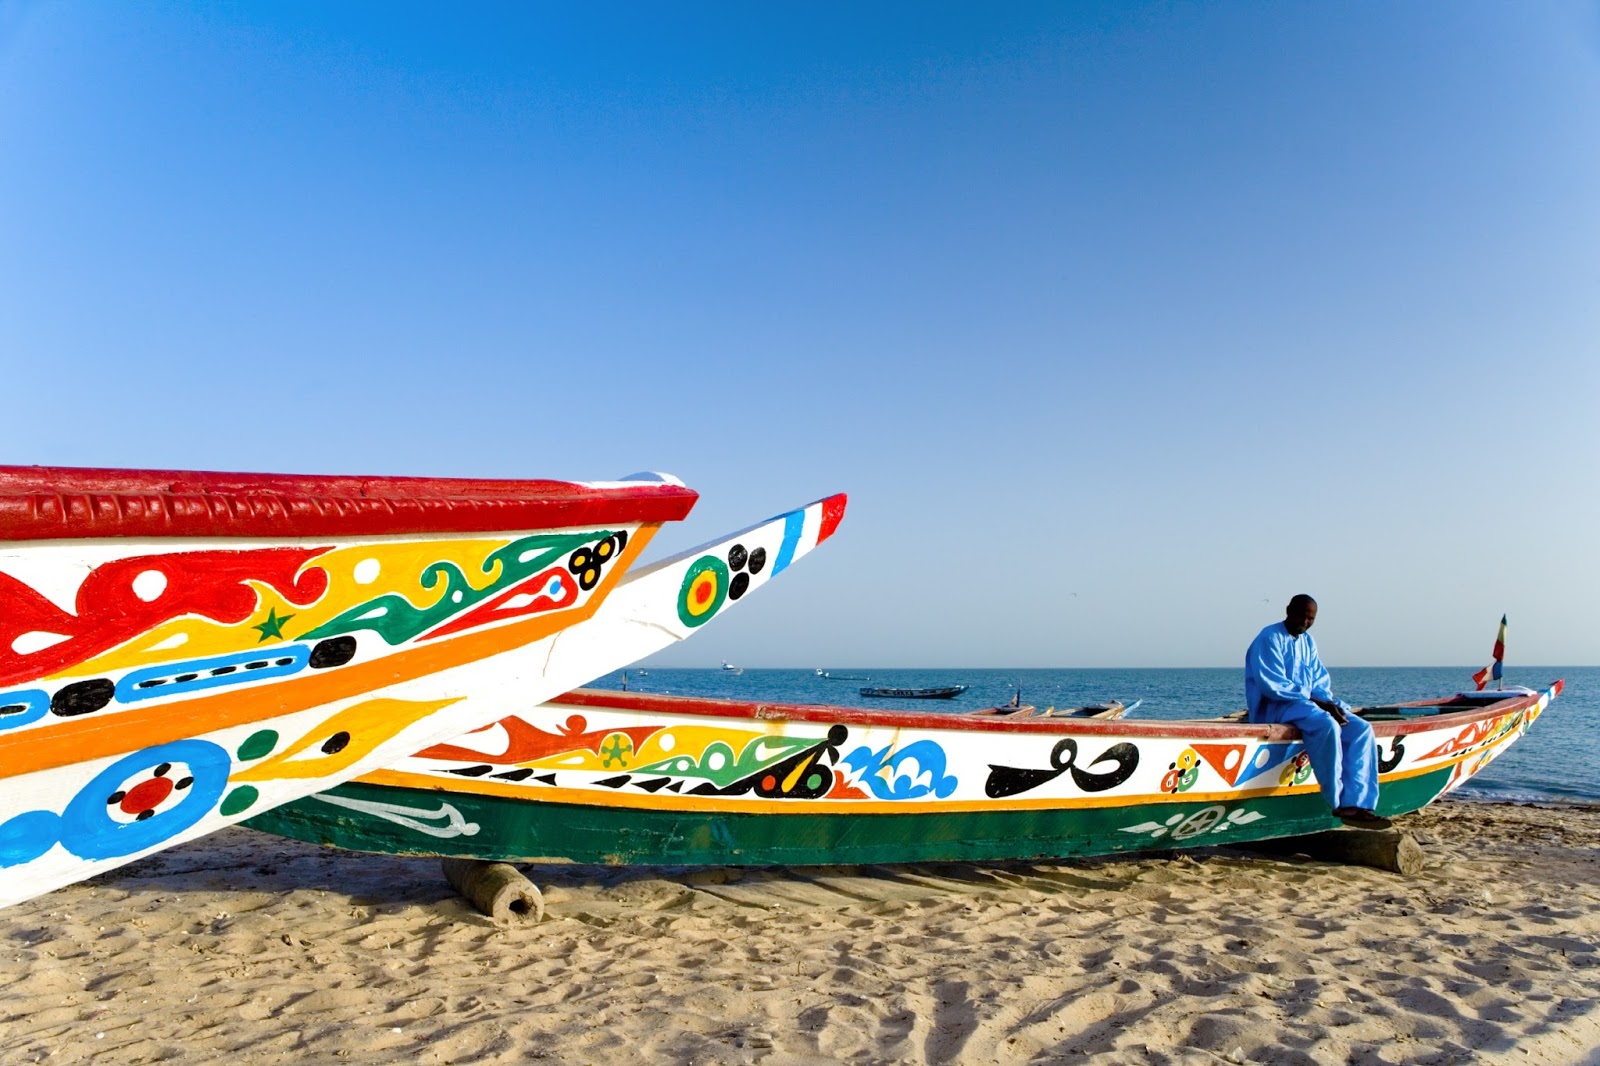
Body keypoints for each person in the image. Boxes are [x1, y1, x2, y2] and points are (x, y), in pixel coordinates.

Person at [1245, 595, 1390, 829]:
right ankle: (1337, 802)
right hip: (1277, 706)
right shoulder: (1269, 638)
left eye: (1310, 618)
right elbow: (1272, 685)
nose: (1305, 621)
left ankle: (1359, 804)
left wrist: (1328, 702)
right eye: (1301, 615)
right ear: (1288, 610)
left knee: (1360, 728)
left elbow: (1319, 682)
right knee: (1326, 725)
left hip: (1308, 704)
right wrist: (1319, 703)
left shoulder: (1308, 642)